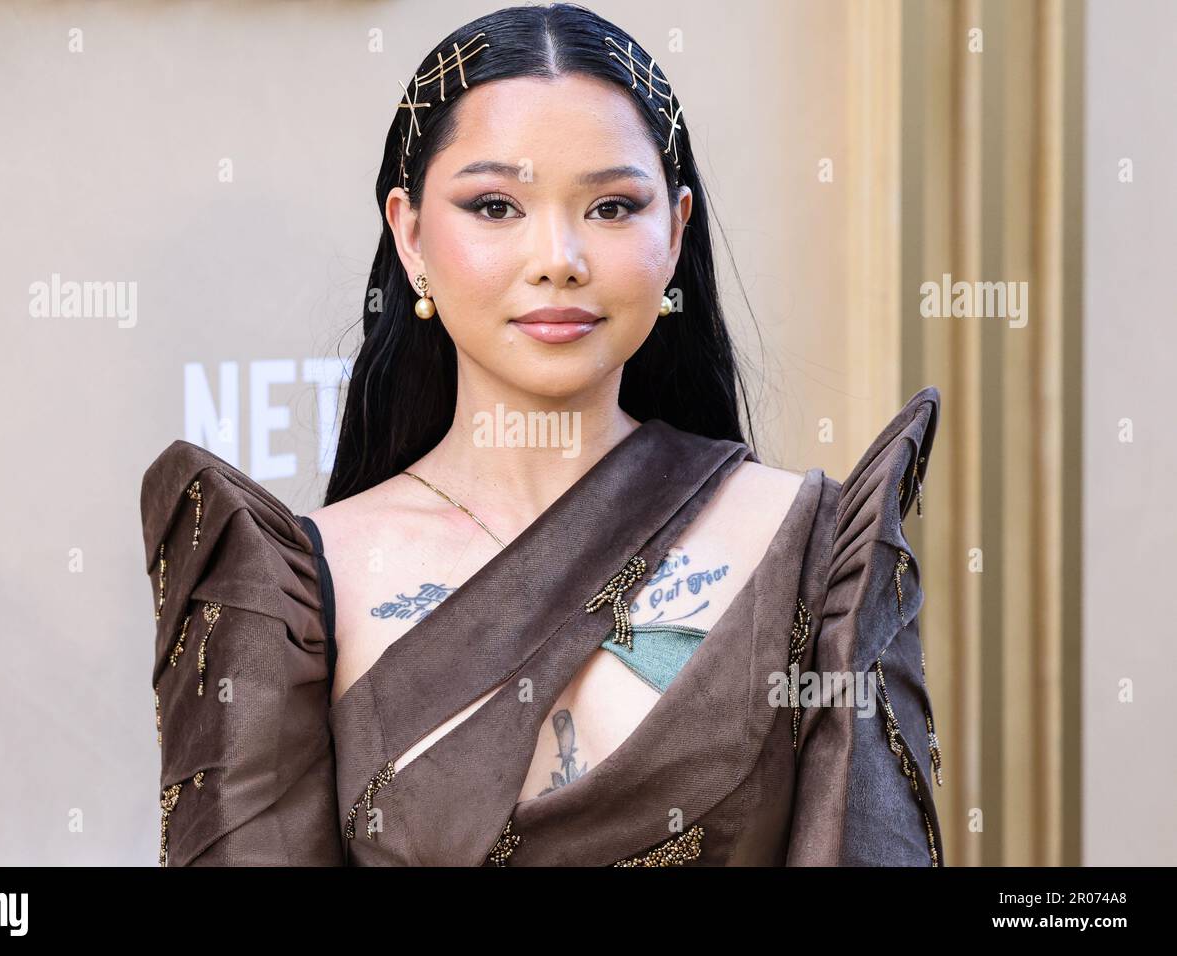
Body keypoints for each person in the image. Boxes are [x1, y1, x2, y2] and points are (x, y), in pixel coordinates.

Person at [141, 2, 944, 867]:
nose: (558, 255)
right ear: (410, 234)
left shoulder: (818, 553)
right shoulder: (296, 586)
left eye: (610, 206)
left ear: (674, 233)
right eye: (494, 205)